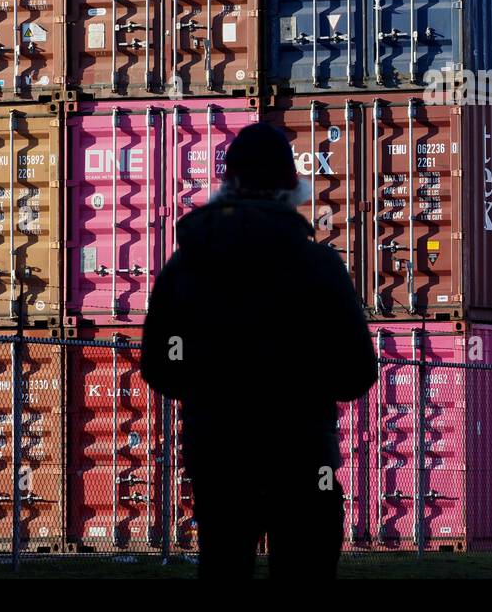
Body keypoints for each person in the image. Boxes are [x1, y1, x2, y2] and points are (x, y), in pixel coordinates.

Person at [140, 122, 378, 580]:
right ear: (292, 186)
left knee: (224, 565)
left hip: (218, 455)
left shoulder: (187, 264)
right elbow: (357, 369)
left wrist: (206, 389)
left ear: (227, 182)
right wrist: (304, 383)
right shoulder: (319, 266)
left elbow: (160, 362)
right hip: (304, 454)